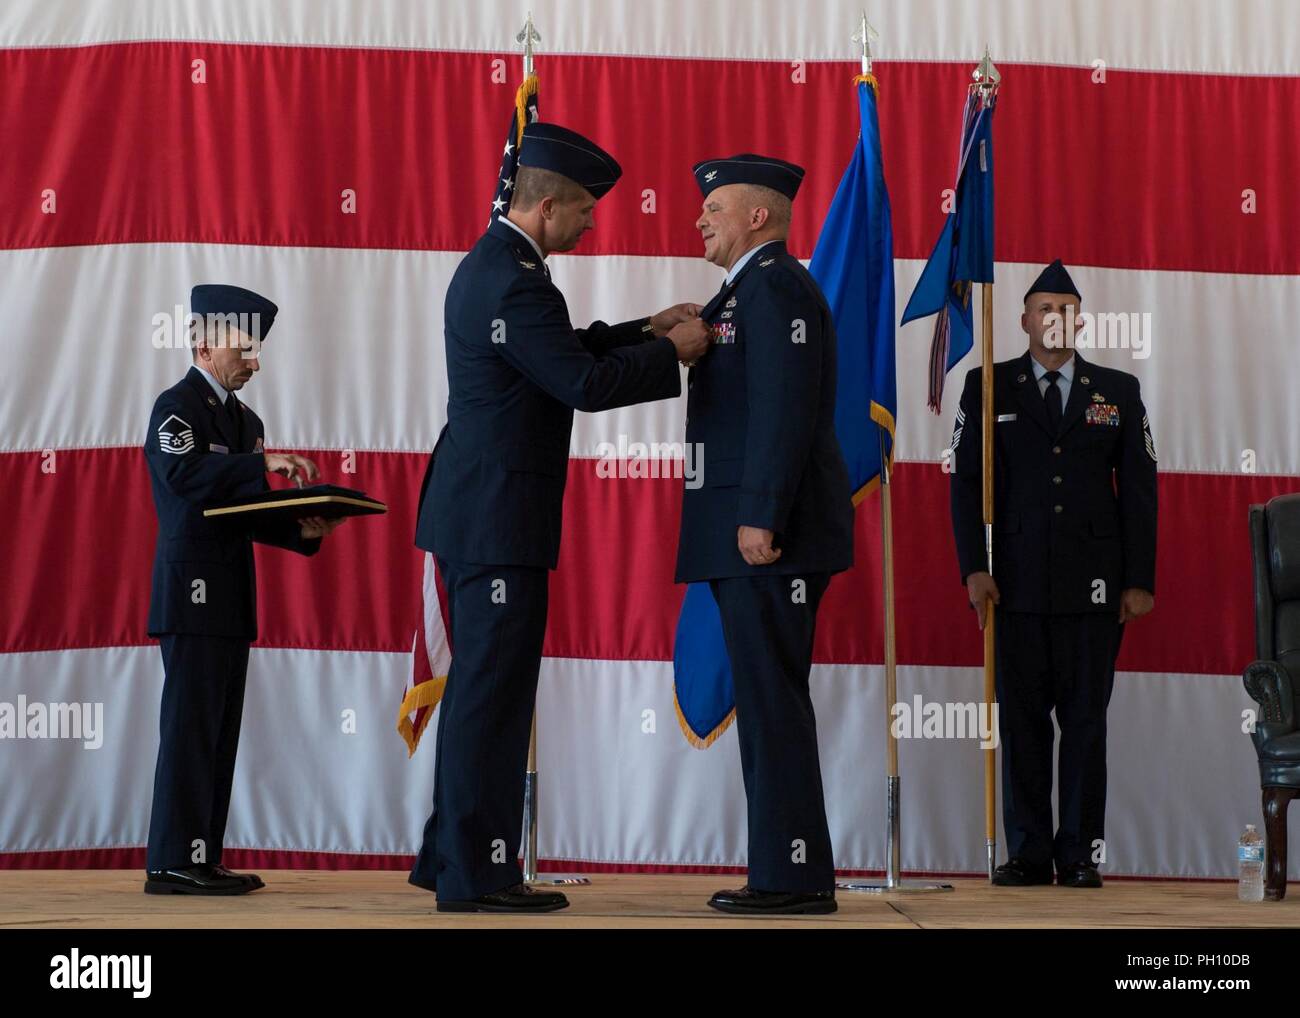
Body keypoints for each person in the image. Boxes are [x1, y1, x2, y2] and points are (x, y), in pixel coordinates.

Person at [409, 122, 710, 913]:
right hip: (495, 519)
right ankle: (481, 875)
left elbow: (556, 350)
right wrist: (672, 354)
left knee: (482, 689)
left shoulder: (504, 266)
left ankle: (452, 858)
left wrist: (643, 328)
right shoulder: (515, 280)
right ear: (546, 206)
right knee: (492, 696)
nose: (589, 224)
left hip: (483, 513)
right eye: (582, 210)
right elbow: (579, 382)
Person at [675, 154, 855, 915]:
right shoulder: (744, 290)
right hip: (746, 534)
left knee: (774, 702)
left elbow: (783, 409)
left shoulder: (776, 286)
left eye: (714, 207)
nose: (699, 219)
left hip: (767, 536)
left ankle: (792, 876)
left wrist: (762, 514)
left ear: (758, 215)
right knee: (766, 697)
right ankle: (788, 870)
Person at [950, 259, 1157, 888]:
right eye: (1044, 308)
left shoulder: (1116, 391)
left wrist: (1138, 578)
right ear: (1024, 320)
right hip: (1012, 582)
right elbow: (966, 486)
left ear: (1080, 321)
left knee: (1086, 722)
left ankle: (1079, 856)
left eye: (1066, 310)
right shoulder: (987, 385)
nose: (1055, 319)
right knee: (1021, 721)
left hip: (1095, 585)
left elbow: (1141, 489)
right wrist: (974, 569)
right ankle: (1030, 851)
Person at [143, 284, 345, 895]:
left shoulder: (245, 421)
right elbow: (183, 477)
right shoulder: (176, 408)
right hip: (192, 592)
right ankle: (171, 860)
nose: (255, 362)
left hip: (231, 596)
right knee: (190, 729)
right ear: (204, 344)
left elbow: (247, 511)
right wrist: (262, 466)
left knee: (219, 731)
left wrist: (303, 528)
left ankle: (200, 854)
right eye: (245, 348)